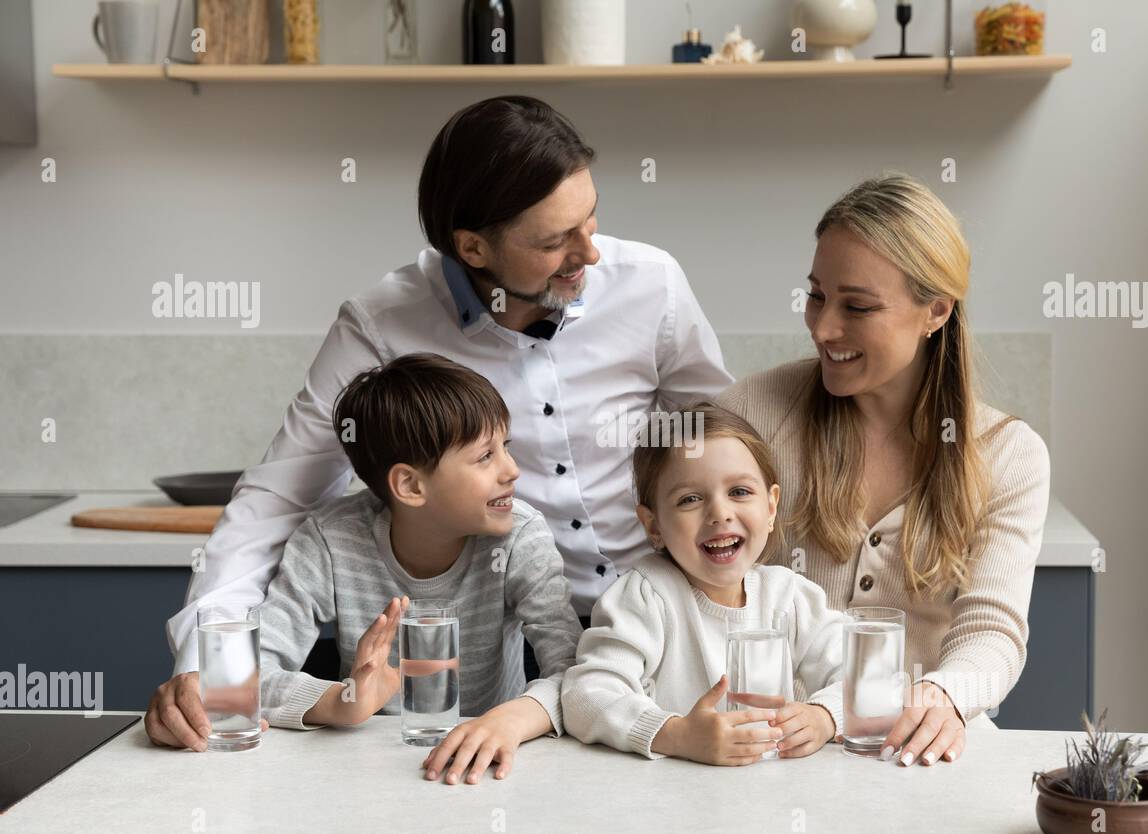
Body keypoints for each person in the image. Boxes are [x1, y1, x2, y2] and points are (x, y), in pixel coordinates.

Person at [148, 94, 731, 750]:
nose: (589, 254)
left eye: (591, 219)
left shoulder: (652, 284)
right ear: (473, 247)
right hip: (503, 657)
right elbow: (278, 499)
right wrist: (207, 669)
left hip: (654, 631)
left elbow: (724, 443)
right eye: (553, 241)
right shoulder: (381, 323)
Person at [716, 173, 1051, 769]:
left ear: (936, 311)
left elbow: (992, 631)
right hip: (772, 753)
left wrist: (944, 694)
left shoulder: (1008, 455)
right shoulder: (752, 416)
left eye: (858, 306)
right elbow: (694, 587)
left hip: (914, 752)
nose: (823, 328)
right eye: (816, 295)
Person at [254, 353, 579, 785]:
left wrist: (513, 720)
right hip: (361, 771)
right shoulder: (331, 540)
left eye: (506, 447)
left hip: (483, 769)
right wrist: (343, 701)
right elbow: (247, 674)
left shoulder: (520, 537)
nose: (512, 471)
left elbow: (578, 671)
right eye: (485, 456)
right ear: (410, 485)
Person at [561, 404, 845, 765]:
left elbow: (870, 679)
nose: (719, 513)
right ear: (654, 526)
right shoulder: (646, 596)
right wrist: (676, 735)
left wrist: (823, 716)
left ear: (771, 507)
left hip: (771, 797)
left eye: (740, 491)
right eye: (690, 499)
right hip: (670, 801)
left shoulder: (788, 596)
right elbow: (586, 695)